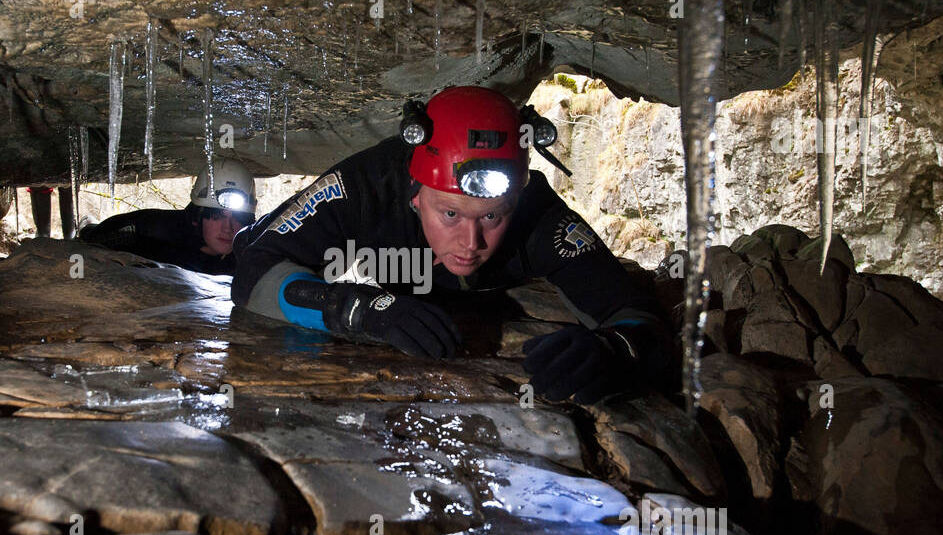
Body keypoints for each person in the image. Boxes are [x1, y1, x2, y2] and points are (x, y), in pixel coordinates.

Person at [231, 86, 670, 404]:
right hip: (353, 265)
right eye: (450, 214)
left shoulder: (538, 214)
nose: (471, 242)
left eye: (493, 217)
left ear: (515, 201)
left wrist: (614, 351)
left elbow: (637, 315)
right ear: (415, 195)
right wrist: (361, 310)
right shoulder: (368, 186)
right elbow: (253, 271)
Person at [79, 158, 256, 276]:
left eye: (238, 218)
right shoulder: (155, 233)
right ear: (197, 217)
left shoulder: (251, 250)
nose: (228, 228)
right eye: (216, 217)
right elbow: (95, 237)